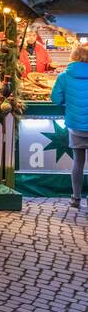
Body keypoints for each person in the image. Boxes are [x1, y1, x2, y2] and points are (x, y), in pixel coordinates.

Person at [52, 43, 88, 209]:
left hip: (75, 125)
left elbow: (56, 99)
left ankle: (76, 198)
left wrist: (68, 101)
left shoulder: (64, 76)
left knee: (78, 162)